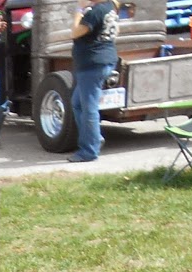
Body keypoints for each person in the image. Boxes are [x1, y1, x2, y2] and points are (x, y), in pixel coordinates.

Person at [69, 0, 119, 163]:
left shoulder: (96, 12)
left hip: (92, 64)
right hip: (103, 60)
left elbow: (76, 32)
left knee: (89, 107)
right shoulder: (111, 7)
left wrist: (79, 10)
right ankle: (94, 137)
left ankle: (89, 150)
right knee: (77, 103)